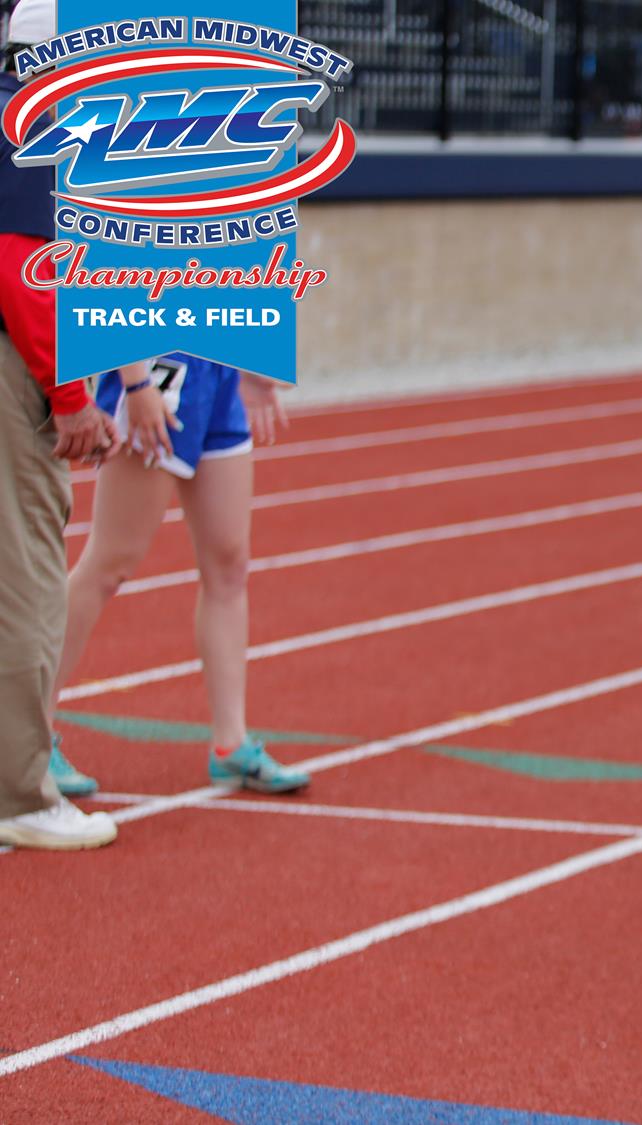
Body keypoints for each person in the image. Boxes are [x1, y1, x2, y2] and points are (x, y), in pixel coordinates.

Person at [49, 354, 309, 798]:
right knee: (110, 563)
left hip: (217, 371)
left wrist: (250, 363)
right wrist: (135, 383)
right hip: (157, 365)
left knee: (228, 566)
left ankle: (232, 745)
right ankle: (27, 736)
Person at [0, 0, 123, 851]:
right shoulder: (36, 117)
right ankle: (18, 794)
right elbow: (25, 263)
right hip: (13, 366)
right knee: (24, 576)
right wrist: (72, 392)